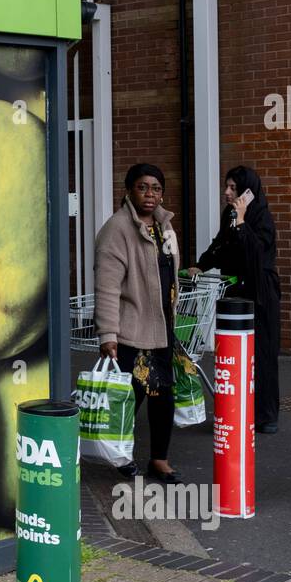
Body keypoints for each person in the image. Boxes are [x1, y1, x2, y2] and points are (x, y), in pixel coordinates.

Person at [94, 163, 182, 484]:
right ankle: (120, 458)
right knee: (127, 399)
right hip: (130, 332)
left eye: (156, 188)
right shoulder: (116, 229)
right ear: (129, 190)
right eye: (143, 187)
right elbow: (106, 287)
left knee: (163, 398)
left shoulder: (164, 227)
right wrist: (108, 333)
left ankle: (159, 460)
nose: (150, 194)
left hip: (161, 328)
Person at [190, 166, 282, 433]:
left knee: (262, 354)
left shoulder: (261, 217)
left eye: (233, 188)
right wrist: (201, 265)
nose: (227, 192)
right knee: (235, 352)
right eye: (226, 186)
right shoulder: (229, 214)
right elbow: (222, 245)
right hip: (236, 291)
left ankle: (266, 416)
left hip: (260, 292)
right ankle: (238, 409)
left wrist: (242, 221)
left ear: (247, 191)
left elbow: (255, 253)